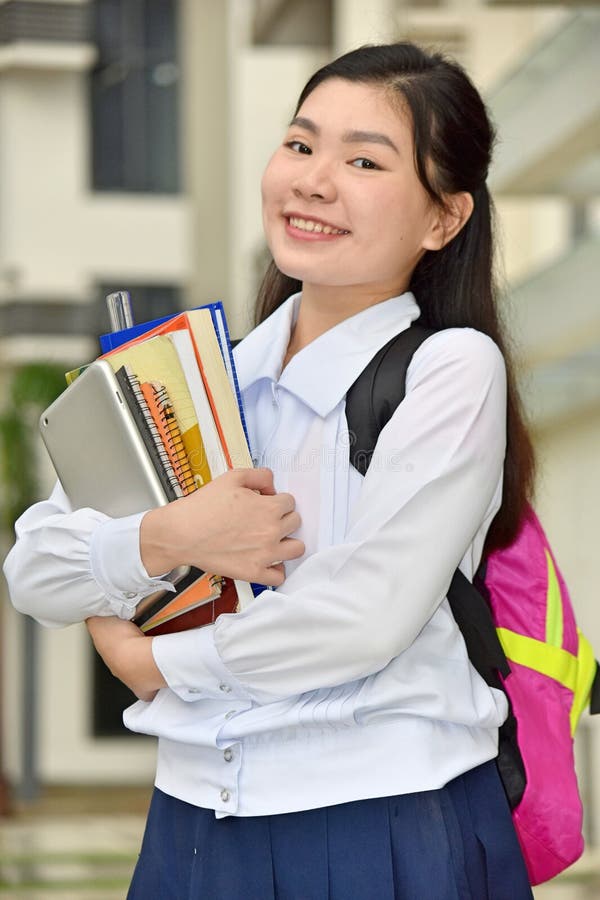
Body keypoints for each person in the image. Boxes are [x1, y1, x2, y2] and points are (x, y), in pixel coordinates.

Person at [4, 42, 536, 899]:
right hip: (191, 823)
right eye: (300, 144)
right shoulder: (190, 376)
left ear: (444, 219)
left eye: (364, 160)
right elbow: (33, 570)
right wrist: (170, 535)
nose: (313, 181)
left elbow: (364, 615)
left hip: (383, 817)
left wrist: (157, 665)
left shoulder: (450, 367)